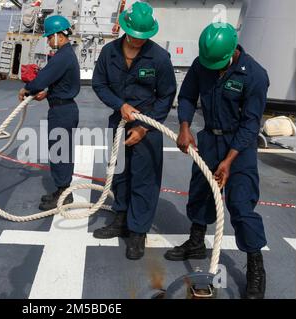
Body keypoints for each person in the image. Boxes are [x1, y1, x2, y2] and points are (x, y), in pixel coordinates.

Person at [164, 23, 269, 299]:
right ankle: (197, 241)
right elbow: (187, 95)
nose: (212, 67)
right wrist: (184, 126)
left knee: (241, 204)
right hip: (209, 139)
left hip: (240, 146)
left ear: (234, 49)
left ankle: (256, 266)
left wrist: (230, 160)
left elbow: (250, 124)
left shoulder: (255, 75)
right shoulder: (203, 63)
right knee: (200, 194)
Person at [92, 1, 177, 260]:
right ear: (126, 29)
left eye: (144, 37)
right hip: (118, 123)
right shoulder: (109, 53)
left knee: (144, 180)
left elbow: (166, 96)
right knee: (119, 174)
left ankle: (137, 232)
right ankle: (120, 219)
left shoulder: (159, 58)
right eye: (135, 36)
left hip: (148, 126)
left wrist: (143, 127)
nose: (139, 41)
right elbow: (99, 84)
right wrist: (120, 105)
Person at [18, 15, 80, 211]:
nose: (47, 41)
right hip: (62, 107)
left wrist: (27, 88)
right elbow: (59, 82)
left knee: (60, 152)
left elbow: (42, 78)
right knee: (60, 151)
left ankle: (63, 194)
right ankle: (62, 190)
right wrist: (46, 94)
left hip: (62, 111)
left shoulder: (62, 56)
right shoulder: (66, 54)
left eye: (48, 37)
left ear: (58, 36)